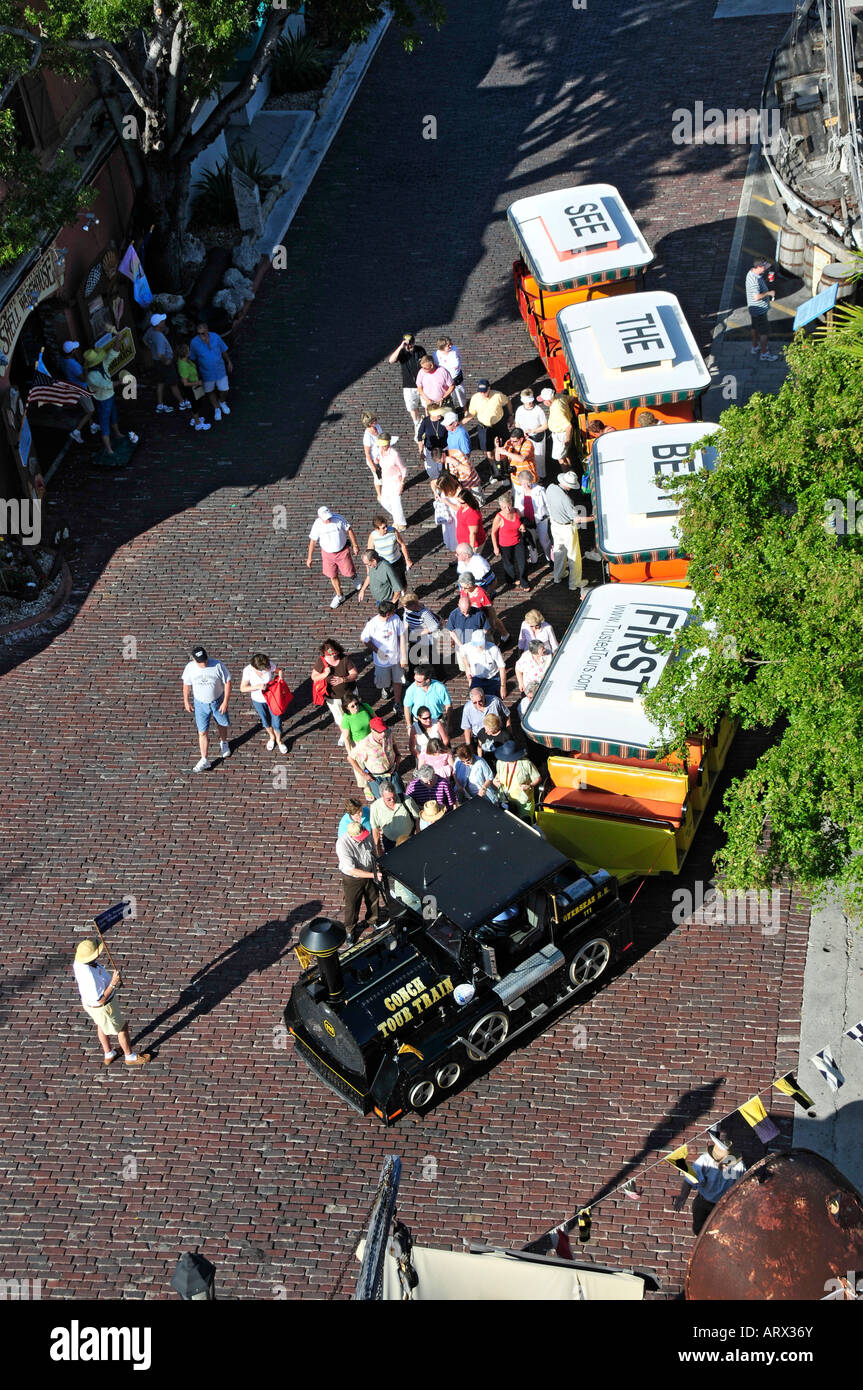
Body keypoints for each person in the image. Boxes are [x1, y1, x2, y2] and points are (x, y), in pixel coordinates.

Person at [73, 938, 150, 1067]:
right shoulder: (90, 977)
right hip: (104, 1007)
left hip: (89, 1005)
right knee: (122, 1028)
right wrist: (113, 983)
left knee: (101, 1025)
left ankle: (109, 1053)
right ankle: (130, 1056)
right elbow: (101, 999)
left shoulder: (78, 963)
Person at [336, 801, 381, 945]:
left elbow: (372, 849)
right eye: (360, 838)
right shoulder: (342, 845)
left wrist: (377, 863)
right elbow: (352, 870)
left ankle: (373, 920)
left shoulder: (364, 833)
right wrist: (373, 875)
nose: (364, 838)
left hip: (369, 871)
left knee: (373, 898)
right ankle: (350, 930)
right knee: (352, 905)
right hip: (353, 879)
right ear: (351, 836)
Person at [182, 645, 231, 772]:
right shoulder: (190, 668)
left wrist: (225, 701)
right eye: (200, 662)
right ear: (193, 660)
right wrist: (186, 701)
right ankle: (204, 759)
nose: (204, 663)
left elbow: (227, 682)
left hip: (217, 701)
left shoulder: (217, 665)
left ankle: (224, 742)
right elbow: (186, 685)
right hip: (200, 704)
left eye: (205, 660)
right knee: (202, 731)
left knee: (221, 724)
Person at [84, 346, 138, 456]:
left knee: (114, 416)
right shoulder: (91, 376)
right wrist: (121, 381)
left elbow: (112, 355)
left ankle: (117, 433)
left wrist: (118, 339)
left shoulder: (102, 366)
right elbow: (107, 385)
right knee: (104, 424)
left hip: (110, 396)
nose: (101, 361)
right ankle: (109, 449)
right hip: (103, 400)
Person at [306, 505, 362, 609]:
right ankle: (340, 595)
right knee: (332, 575)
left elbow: (349, 530)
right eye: (326, 519)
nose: (328, 520)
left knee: (349, 570)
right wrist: (309, 557)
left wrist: (355, 545)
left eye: (329, 517)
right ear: (320, 518)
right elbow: (313, 541)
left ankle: (354, 578)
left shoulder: (338, 519)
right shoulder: (317, 525)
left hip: (342, 551)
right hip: (327, 554)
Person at [689, 1138, 746, 1235]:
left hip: (723, 1206)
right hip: (703, 1201)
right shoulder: (704, 1160)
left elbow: (743, 1188)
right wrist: (683, 1196)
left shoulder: (739, 1166)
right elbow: (690, 1179)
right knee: (698, 1229)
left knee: (719, 1233)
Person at [360, 600, 408, 712]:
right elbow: (364, 639)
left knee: (398, 680)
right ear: (387, 614)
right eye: (393, 611)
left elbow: (402, 636)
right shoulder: (372, 624)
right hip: (381, 662)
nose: (395, 612)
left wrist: (403, 656)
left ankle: (397, 702)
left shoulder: (395, 618)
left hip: (396, 659)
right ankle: (386, 688)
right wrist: (378, 651)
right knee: (384, 682)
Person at [310, 639, 359, 740]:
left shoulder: (344, 659)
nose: (332, 657)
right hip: (332, 697)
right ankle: (346, 735)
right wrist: (324, 674)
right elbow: (314, 677)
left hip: (349, 694)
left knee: (353, 712)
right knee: (339, 717)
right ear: (324, 653)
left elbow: (354, 674)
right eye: (329, 655)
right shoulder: (321, 662)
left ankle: (355, 730)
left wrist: (343, 679)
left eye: (334, 654)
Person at [240, 652, 288, 754]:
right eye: (263, 669)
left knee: (277, 721)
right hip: (258, 701)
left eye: (266, 667)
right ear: (256, 667)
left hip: (272, 698)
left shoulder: (268, 664)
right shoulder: (248, 670)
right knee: (265, 721)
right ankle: (272, 737)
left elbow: (279, 671)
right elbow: (242, 688)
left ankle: (279, 741)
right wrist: (257, 687)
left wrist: (280, 678)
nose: (266, 669)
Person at [545, 471, 584, 592]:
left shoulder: (550, 488)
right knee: (574, 555)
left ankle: (558, 576)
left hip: (555, 524)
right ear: (568, 486)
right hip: (567, 528)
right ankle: (574, 583)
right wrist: (592, 517)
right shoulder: (566, 499)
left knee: (559, 550)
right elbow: (577, 519)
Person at [349, 715, 404, 799]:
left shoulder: (388, 733)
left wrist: (398, 755)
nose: (383, 734)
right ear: (372, 730)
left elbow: (393, 743)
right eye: (379, 732)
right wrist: (363, 774)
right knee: (383, 801)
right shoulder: (364, 743)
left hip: (392, 772)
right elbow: (350, 758)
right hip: (376, 778)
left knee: (400, 795)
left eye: (383, 730)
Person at [143, 312, 187, 414]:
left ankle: (160, 404)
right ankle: (182, 403)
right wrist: (166, 361)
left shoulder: (150, 330)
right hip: (164, 363)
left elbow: (145, 340)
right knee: (173, 384)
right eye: (162, 321)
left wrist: (151, 348)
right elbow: (160, 355)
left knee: (160, 382)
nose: (164, 322)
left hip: (156, 363)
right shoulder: (160, 337)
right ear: (159, 324)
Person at [189, 321, 232, 421]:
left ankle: (222, 402)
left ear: (207, 331)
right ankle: (216, 407)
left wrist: (229, 361)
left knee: (225, 389)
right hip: (206, 373)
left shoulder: (216, 337)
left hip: (220, 370)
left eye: (203, 333)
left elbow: (223, 350)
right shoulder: (194, 342)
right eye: (199, 333)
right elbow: (193, 358)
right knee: (210, 391)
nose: (201, 336)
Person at [462, 378, 512, 462]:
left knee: (504, 447)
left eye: (484, 391)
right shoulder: (475, 398)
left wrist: (511, 415)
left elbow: (507, 401)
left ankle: (505, 467)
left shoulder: (498, 395)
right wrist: (460, 423)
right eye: (480, 391)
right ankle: (493, 470)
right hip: (484, 428)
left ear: (489, 388)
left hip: (499, 425)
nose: (482, 394)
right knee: (489, 451)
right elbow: (471, 414)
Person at [494, 740, 542, 821]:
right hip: (506, 799)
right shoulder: (500, 762)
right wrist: (495, 780)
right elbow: (498, 775)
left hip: (523, 800)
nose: (507, 761)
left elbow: (538, 778)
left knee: (525, 823)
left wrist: (529, 786)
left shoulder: (526, 763)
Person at [388, 332, 427, 428]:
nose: (409, 346)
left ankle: (428, 422)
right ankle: (416, 424)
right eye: (407, 344)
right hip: (409, 386)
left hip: (423, 384)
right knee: (412, 407)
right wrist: (401, 346)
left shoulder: (420, 350)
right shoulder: (401, 352)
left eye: (411, 344)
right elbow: (391, 360)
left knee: (427, 404)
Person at [491, 492, 528, 590]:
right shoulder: (499, 517)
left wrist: (522, 525)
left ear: (511, 504)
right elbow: (493, 533)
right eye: (504, 507)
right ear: (500, 507)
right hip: (505, 544)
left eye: (509, 506)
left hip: (518, 540)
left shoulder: (516, 511)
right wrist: (495, 547)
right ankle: (511, 579)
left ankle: (524, 582)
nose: (507, 509)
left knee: (523, 562)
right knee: (509, 564)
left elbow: (522, 520)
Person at [513, 471, 551, 563]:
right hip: (527, 521)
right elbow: (517, 508)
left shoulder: (540, 490)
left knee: (544, 541)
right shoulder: (518, 492)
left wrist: (551, 517)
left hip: (541, 519)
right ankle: (534, 560)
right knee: (531, 542)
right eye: (523, 483)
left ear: (532, 480)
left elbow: (548, 504)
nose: (526, 485)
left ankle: (550, 558)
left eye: (528, 483)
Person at [340, 690, 376, 789]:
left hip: (371, 740)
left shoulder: (365, 707)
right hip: (358, 744)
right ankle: (366, 787)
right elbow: (346, 738)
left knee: (373, 762)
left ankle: (375, 780)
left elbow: (375, 719)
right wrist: (350, 753)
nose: (356, 707)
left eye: (356, 704)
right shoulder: (346, 719)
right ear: (346, 707)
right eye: (352, 706)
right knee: (360, 767)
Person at [403, 666, 452, 736]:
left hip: (436, 721)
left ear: (427, 680)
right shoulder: (411, 689)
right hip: (419, 722)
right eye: (415, 680)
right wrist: (409, 726)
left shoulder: (440, 688)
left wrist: (448, 724)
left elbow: (448, 705)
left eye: (419, 681)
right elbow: (407, 707)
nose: (415, 683)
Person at [457, 574, 507, 641]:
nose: (462, 589)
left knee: (487, 637)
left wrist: (492, 623)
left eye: (464, 587)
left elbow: (490, 608)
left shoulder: (481, 594)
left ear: (471, 585)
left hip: (482, 619)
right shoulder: (464, 591)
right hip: (471, 619)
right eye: (461, 587)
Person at [370, 780, 415, 853]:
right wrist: (378, 848)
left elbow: (417, 818)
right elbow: (375, 829)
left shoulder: (406, 800)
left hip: (408, 838)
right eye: (388, 799)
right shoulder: (375, 807)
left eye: (394, 796)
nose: (392, 800)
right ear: (382, 796)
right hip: (389, 842)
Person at [746, 258, 778, 362]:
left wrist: (765, 281)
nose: (765, 269)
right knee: (764, 333)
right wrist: (769, 293)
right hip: (760, 310)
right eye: (763, 267)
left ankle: (755, 347)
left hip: (753, 309)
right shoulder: (754, 281)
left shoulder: (751, 273)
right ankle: (764, 354)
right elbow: (756, 296)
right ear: (758, 267)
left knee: (754, 327)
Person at [367, 515, 412, 590]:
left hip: (397, 562)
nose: (386, 529)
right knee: (389, 585)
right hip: (384, 565)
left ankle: (403, 597)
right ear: (376, 529)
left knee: (402, 583)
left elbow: (402, 544)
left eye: (386, 526)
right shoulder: (373, 536)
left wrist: (407, 559)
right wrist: (369, 570)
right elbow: (369, 554)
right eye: (383, 528)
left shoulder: (393, 531)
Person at [460, 684, 509, 750]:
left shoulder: (495, 702)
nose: (478, 705)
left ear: (484, 696)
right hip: (479, 737)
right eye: (474, 702)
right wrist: (468, 745)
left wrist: (509, 730)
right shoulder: (467, 708)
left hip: (496, 734)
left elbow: (507, 715)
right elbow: (467, 729)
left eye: (480, 701)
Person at [375, 434, 408, 532]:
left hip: (395, 481)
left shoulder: (394, 454)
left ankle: (401, 523)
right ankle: (398, 517)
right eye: (381, 445)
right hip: (386, 480)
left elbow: (403, 469)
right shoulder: (379, 451)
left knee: (396, 503)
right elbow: (377, 460)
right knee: (384, 501)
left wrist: (402, 484)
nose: (383, 447)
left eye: (385, 445)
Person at [176, 341, 211, 432]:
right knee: (195, 405)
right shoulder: (184, 366)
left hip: (194, 387)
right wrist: (197, 383)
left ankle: (196, 419)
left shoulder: (184, 361)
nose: (190, 351)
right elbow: (185, 383)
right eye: (189, 350)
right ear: (186, 353)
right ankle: (198, 424)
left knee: (197, 403)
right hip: (191, 388)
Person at [446, 591, 490, 662]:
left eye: (468, 610)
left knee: (477, 666)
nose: (466, 613)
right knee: (464, 667)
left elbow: (485, 629)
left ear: (470, 605)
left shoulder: (479, 614)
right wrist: (460, 645)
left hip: (476, 647)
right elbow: (451, 631)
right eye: (463, 611)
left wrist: (477, 643)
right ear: (458, 605)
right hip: (461, 646)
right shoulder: (453, 615)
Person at [461, 629, 507, 698]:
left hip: (493, 678)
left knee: (494, 700)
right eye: (476, 644)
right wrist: (467, 667)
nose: (478, 646)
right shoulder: (468, 647)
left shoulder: (493, 649)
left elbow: (502, 667)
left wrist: (503, 687)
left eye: (480, 644)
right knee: (474, 699)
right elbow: (462, 652)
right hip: (477, 678)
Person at [515, 389, 549, 479]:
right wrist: (521, 434)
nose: (529, 403)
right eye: (527, 402)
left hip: (537, 437)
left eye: (530, 401)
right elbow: (517, 424)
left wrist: (534, 431)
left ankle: (541, 476)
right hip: (525, 438)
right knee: (526, 458)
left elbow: (545, 426)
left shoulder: (539, 410)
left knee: (539, 458)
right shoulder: (519, 410)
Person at [402, 593, 441, 668]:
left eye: (406, 606)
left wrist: (419, 633)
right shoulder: (407, 609)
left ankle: (441, 676)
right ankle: (411, 677)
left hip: (426, 638)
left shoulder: (424, 613)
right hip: (414, 637)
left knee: (432, 657)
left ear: (413, 605)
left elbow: (435, 626)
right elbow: (406, 619)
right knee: (413, 658)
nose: (404, 607)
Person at [415, 408, 448, 476]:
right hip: (430, 449)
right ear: (432, 414)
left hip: (443, 449)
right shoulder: (426, 421)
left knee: (443, 468)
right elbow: (419, 436)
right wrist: (421, 451)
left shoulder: (444, 420)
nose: (440, 415)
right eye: (438, 413)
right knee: (432, 470)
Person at [435, 337, 465, 409]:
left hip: (457, 377)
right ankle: (453, 408)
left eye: (450, 344)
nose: (450, 346)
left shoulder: (455, 350)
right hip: (447, 380)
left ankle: (465, 408)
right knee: (451, 396)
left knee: (461, 395)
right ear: (442, 347)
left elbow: (459, 358)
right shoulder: (436, 355)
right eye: (448, 345)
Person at [360, 410, 386, 490]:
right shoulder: (367, 436)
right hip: (375, 460)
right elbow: (367, 453)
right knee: (378, 479)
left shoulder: (377, 426)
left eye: (375, 419)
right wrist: (373, 467)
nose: (376, 421)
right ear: (369, 424)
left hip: (382, 456)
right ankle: (379, 494)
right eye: (374, 420)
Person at [546, 390, 573, 463]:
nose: (543, 402)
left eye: (544, 401)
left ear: (548, 401)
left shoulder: (557, 410)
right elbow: (572, 399)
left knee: (560, 458)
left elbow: (569, 426)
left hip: (561, 435)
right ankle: (570, 470)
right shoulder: (560, 398)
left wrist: (567, 439)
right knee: (565, 455)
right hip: (560, 433)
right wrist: (570, 409)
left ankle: (567, 472)